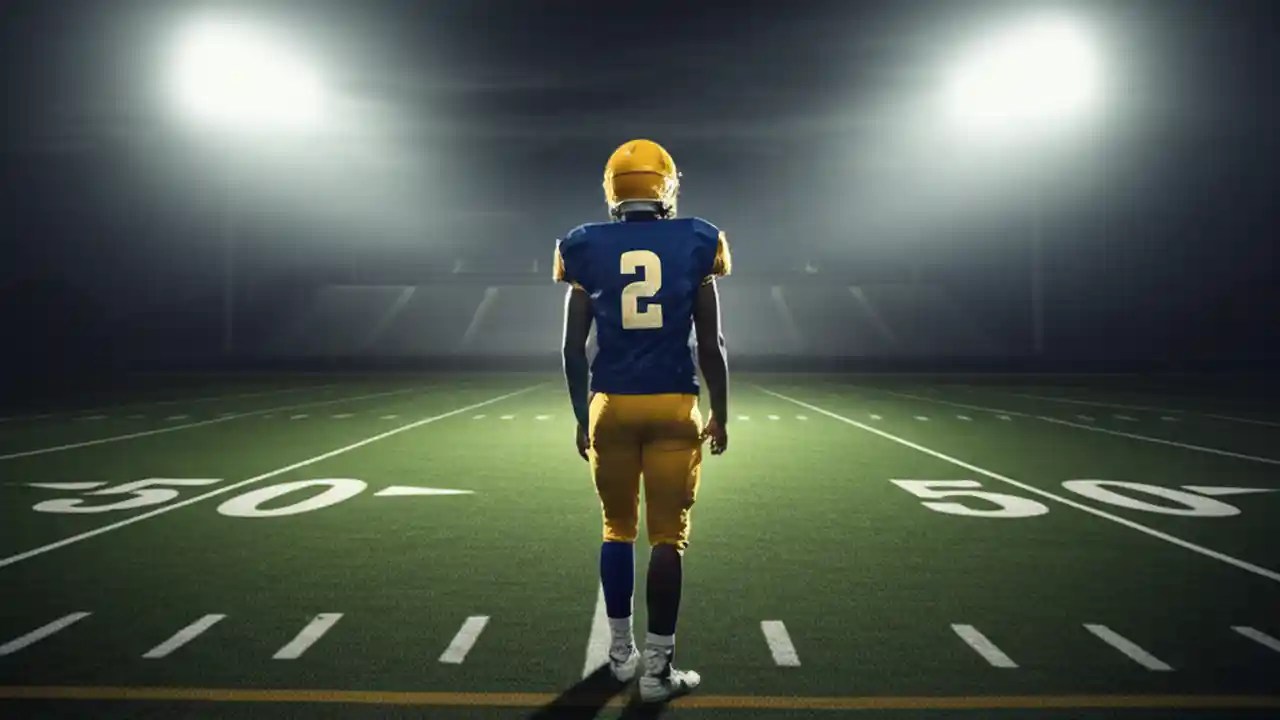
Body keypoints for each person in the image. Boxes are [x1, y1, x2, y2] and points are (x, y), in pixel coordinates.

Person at [555, 138, 730, 703]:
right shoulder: (699, 239)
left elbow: (571, 349)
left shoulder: (583, 245)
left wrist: (581, 417)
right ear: (666, 186)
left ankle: (619, 656)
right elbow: (712, 346)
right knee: (667, 539)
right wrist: (722, 413)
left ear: (613, 189)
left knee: (616, 529)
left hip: (611, 404)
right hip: (673, 404)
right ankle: (658, 671)